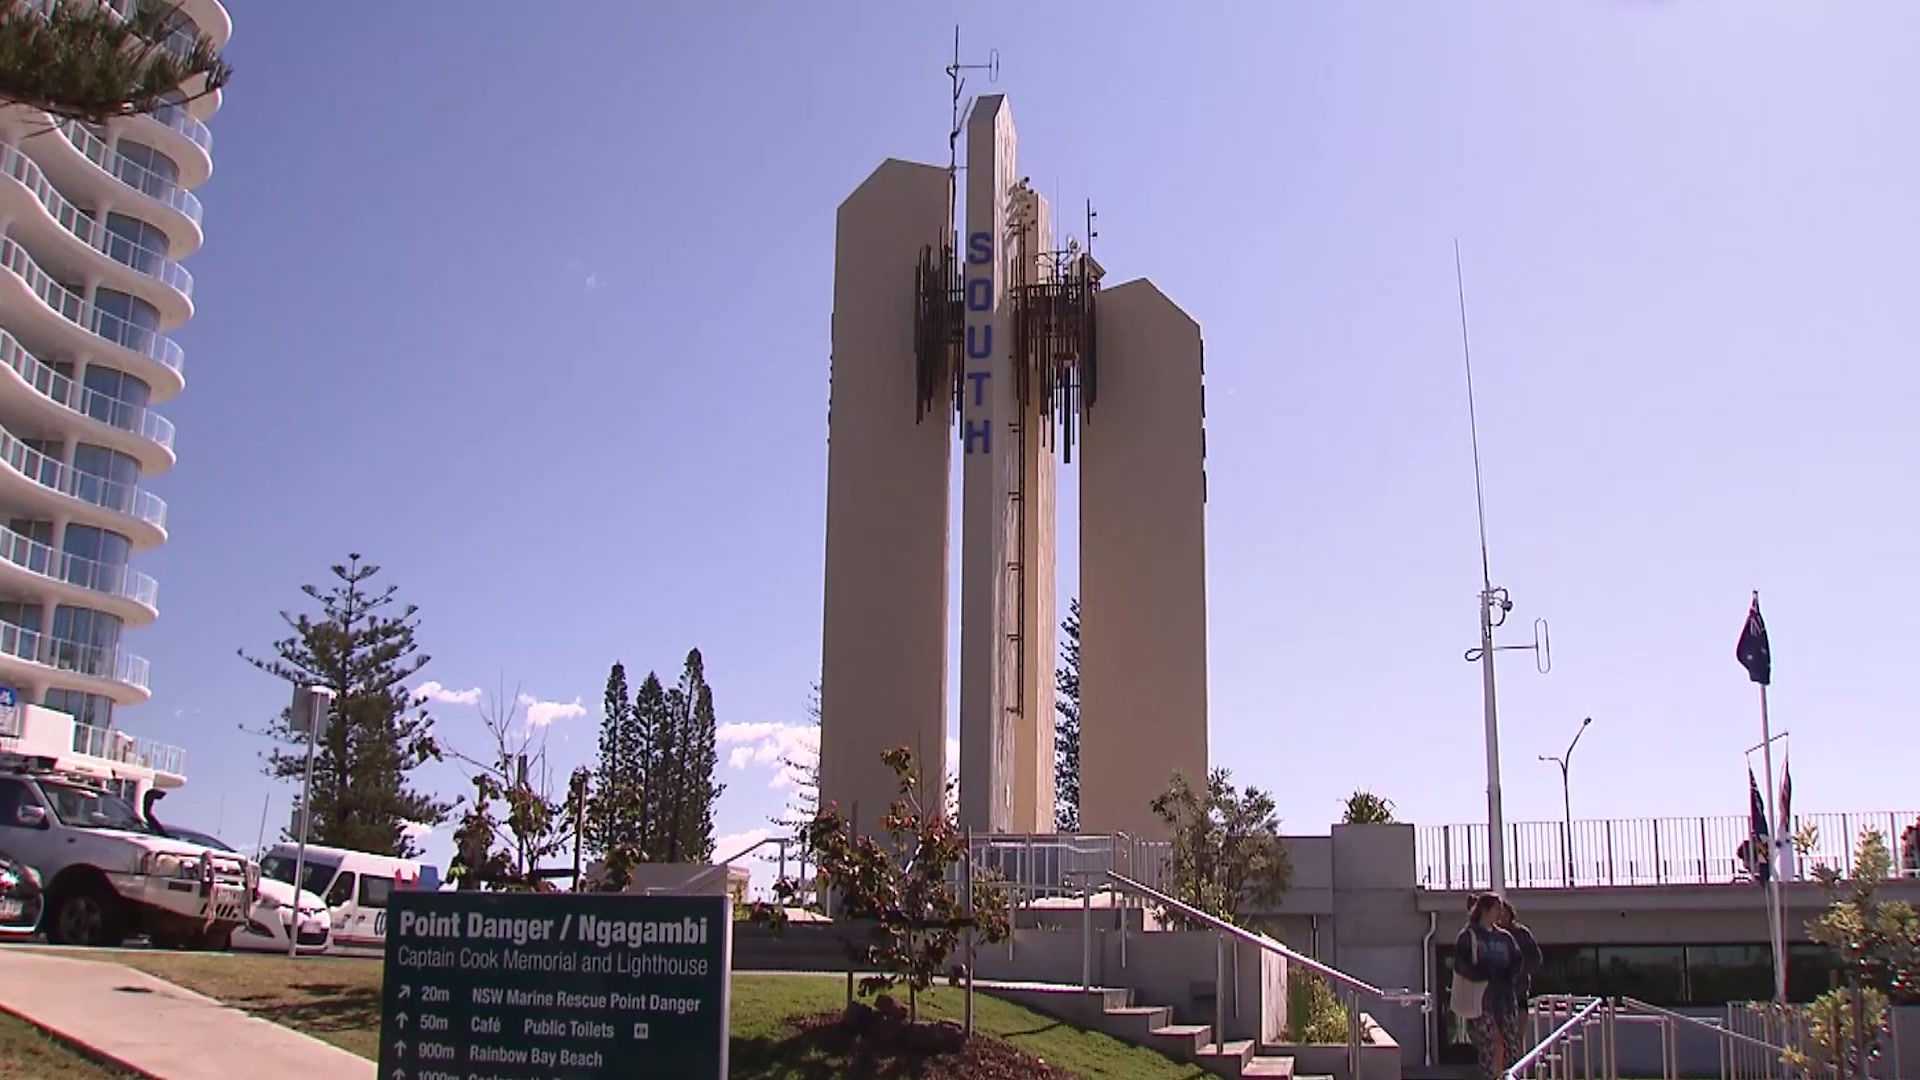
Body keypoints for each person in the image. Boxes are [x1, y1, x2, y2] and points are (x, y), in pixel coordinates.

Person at [1455, 892, 1524, 1080]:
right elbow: (1461, 965)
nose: (1500, 914)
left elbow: (1517, 961)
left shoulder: (1505, 938)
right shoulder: (1469, 936)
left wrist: (1509, 976)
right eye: (1496, 909)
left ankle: (1512, 1075)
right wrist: (1483, 973)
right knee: (1487, 1044)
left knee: (1511, 1042)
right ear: (1485, 910)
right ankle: (1488, 1076)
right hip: (1481, 999)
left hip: (1506, 999)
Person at [1498, 900, 1544, 1011]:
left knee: (1520, 1019)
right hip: (1498, 993)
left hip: (1520, 989)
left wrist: (1522, 970)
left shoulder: (1522, 934)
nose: (1503, 917)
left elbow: (1535, 958)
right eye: (1500, 914)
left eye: (1506, 913)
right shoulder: (1492, 935)